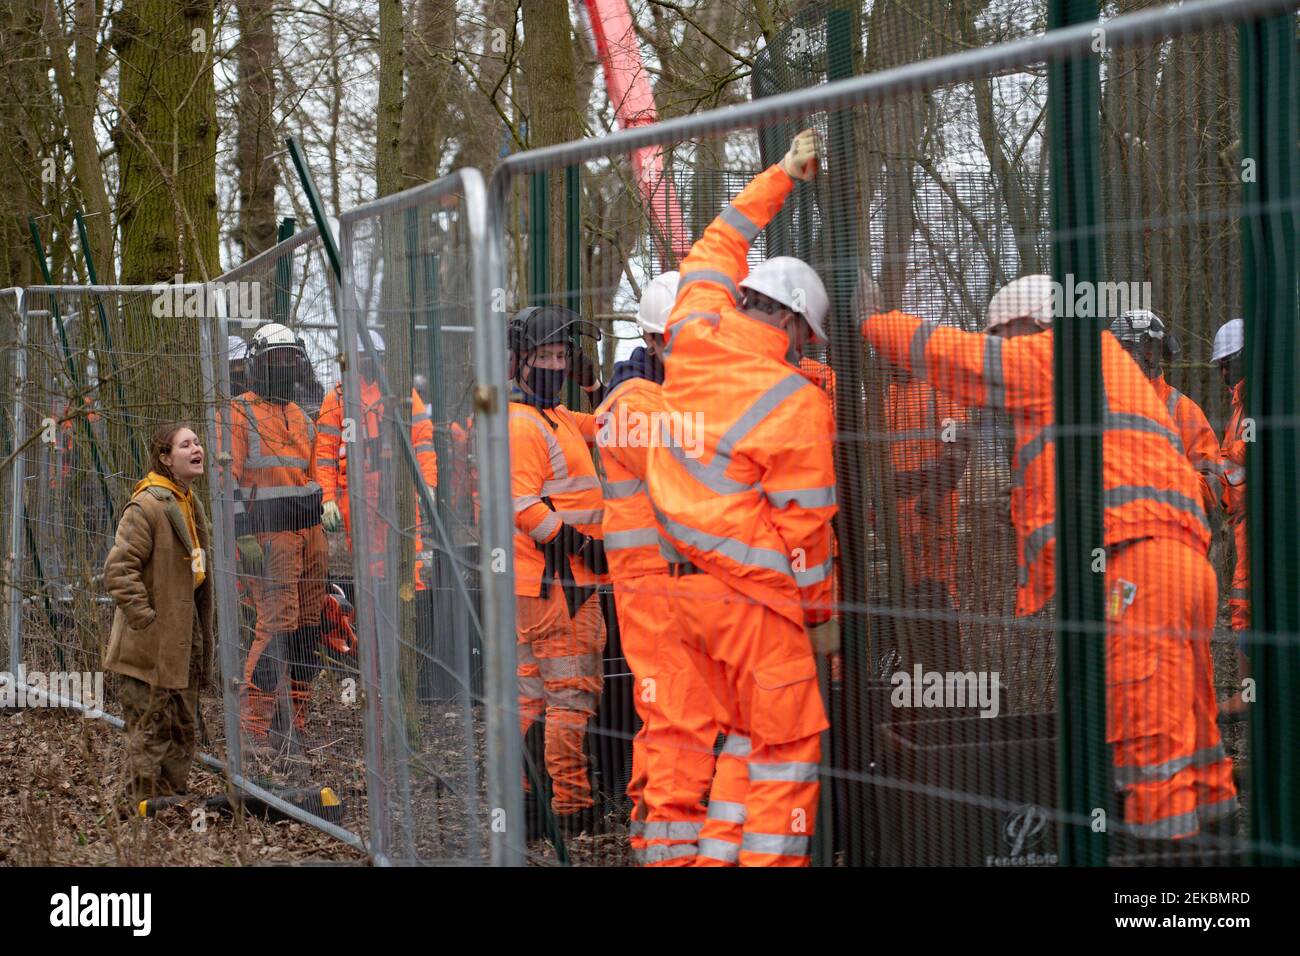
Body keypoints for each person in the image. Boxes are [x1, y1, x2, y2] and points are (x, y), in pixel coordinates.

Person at [861, 274, 1236, 840]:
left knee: (1147, 740)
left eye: (1002, 335)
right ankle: (1222, 855)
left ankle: (1168, 881)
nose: (1001, 347)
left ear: (1029, 325)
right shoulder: (1107, 369)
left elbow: (951, 356)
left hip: (1137, 572)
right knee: (1195, 727)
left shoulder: (1054, 356)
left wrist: (871, 320)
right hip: (1182, 564)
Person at [646, 129, 839, 866]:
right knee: (785, 751)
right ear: (792, 324)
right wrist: (816, 615)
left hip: (685, 595)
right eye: (804, 336)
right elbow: (807, 530)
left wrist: (782, 174)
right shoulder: (796, 400)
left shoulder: (691, 330)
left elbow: (718, 242)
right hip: (758, 604)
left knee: (739, 743)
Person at [594, 271, 722, 865]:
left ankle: (656, 838)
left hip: (668, 584)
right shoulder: (637, 405)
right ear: (655, 341)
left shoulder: (655, 395)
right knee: (678, 712)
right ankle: (669, 850)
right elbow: (692, 472)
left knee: (669, 713)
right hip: (655, 585)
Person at [508, 305, 609, 837]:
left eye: (560, 355)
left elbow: (611, 426)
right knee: (571, 694)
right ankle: (571, 806)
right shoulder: (524, 424)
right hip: (559, 587)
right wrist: (580, 546)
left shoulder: (559, 417)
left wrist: (595, 385)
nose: (553, 364)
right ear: (519, 362)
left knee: (535, 695)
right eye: (543, 355)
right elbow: (521, 504)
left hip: (543, 586)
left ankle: (527, 798)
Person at [103, 423, 214, 812]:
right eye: (186, 445)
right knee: (149, 730)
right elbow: (119, 570)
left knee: (182, 727)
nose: (197, 448)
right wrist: (146, 620)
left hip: (184, 637)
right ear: (165, 458)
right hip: (150, 643)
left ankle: (168, 807)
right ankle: (136, 813)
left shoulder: (189, 503)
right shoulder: (148, 505)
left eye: (198, 442)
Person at [229, 322, 328, 749]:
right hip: (270, 538)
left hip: (310, 536)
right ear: (257, 364)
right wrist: (242, 535)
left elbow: (313, 477)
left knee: (308, 628)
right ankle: (253, 727)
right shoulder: (237, 413)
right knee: (274, 629)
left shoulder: (302, 417)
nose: (284, 366)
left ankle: (294, 721)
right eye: (276, 359)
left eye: (291, 358)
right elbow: (225, 481)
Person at [1110, 310, 1223, 518]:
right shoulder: (1102, 409)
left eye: (1126, 350)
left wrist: (1164, 489)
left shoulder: (1182, 410)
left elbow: (1212, 481)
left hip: (1169, 534)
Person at [1211, 318, 1250, 720]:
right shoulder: (1239, 406)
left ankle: (1251, 695)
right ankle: (1251, 693)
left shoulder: (1256, 401)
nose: (1223, 371)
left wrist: (1216, 467)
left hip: (1259, 521)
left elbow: (1242, 457)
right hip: (1243, 521)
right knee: (1244, 604)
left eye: (1228, 362)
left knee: (1249, 603)